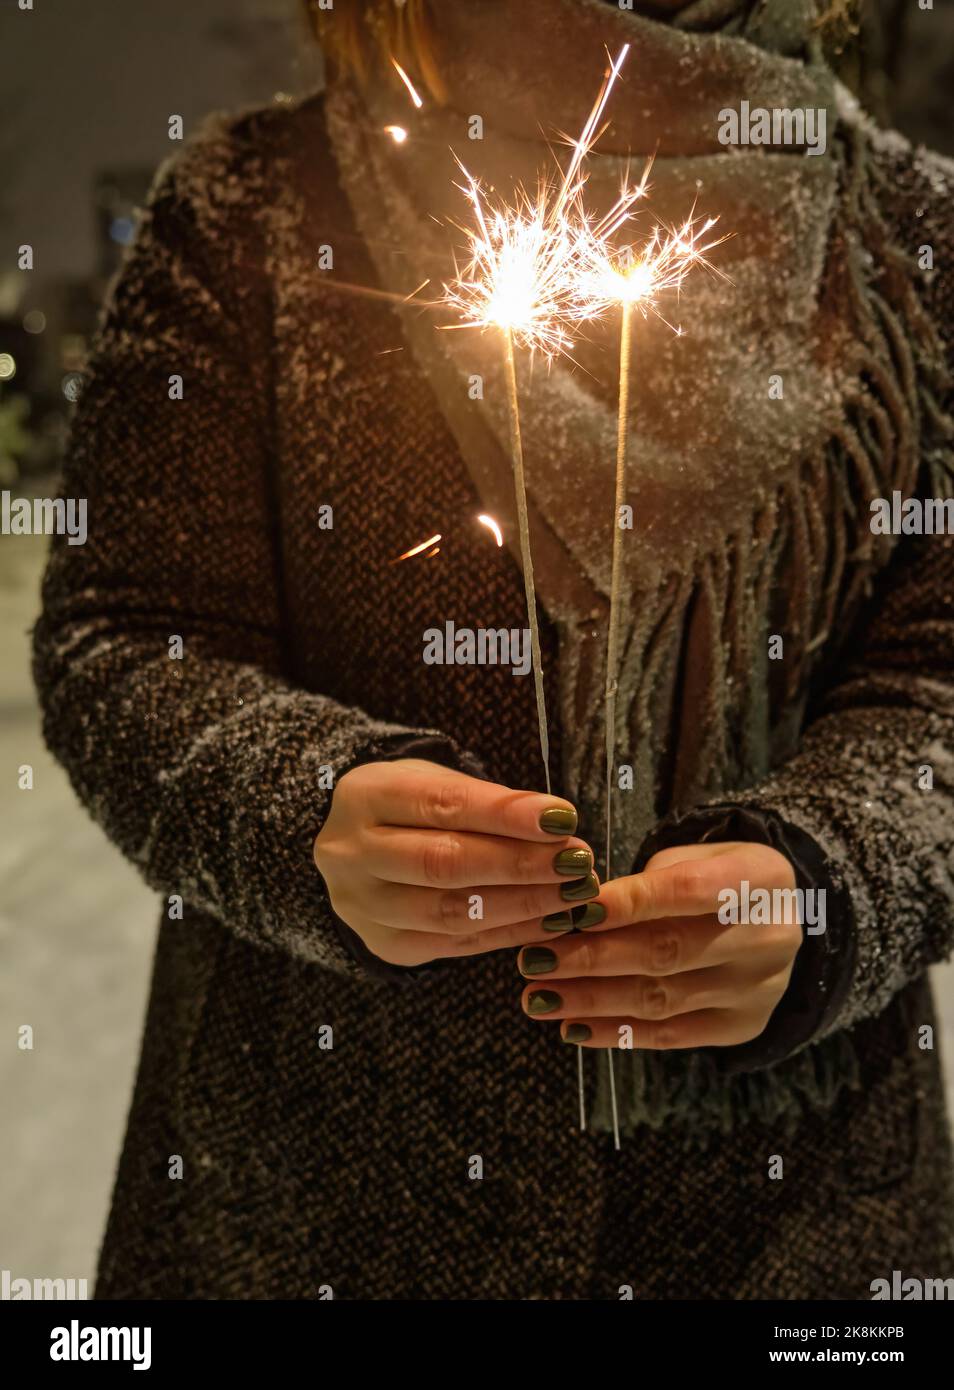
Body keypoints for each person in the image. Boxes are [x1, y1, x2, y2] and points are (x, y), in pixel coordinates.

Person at [34, 0, 954, 1298]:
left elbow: (935, 680)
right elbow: (123, 631)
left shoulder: (917, 242)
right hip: (311, 1203)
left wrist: (826, 884)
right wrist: (303, 807)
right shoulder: (256, 209)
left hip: (789, 1238)